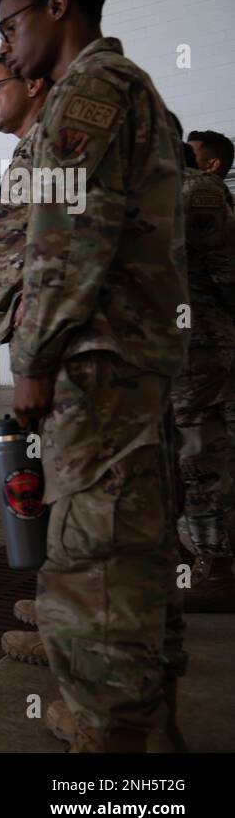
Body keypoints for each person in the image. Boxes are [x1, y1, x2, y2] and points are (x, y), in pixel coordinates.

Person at [0, 0, 187, 752]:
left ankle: (116, 748)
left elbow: (69, 245)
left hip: (98, 360)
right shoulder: (128, 90)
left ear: (60, 7)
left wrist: (34, 358)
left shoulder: (92, 93)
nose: (9, 47)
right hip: (120, 355)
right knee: (123, 546)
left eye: (14, 25)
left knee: (95, 555)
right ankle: (134, 719)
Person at [0, 54, 53, 667]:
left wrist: (35, 361)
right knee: (59, 493)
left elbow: (57, 258)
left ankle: (80, 636)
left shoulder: (55, 146)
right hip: (44, 349)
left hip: (58, 356)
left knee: (77, 498)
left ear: (31, 85)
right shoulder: (30, 153)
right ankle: (60, 603)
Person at [184, 128, 235, 611]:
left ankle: (218, 565)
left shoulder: (199, 190)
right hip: (182, 346)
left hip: (201, 344)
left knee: (200, 454)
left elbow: (226, 272)